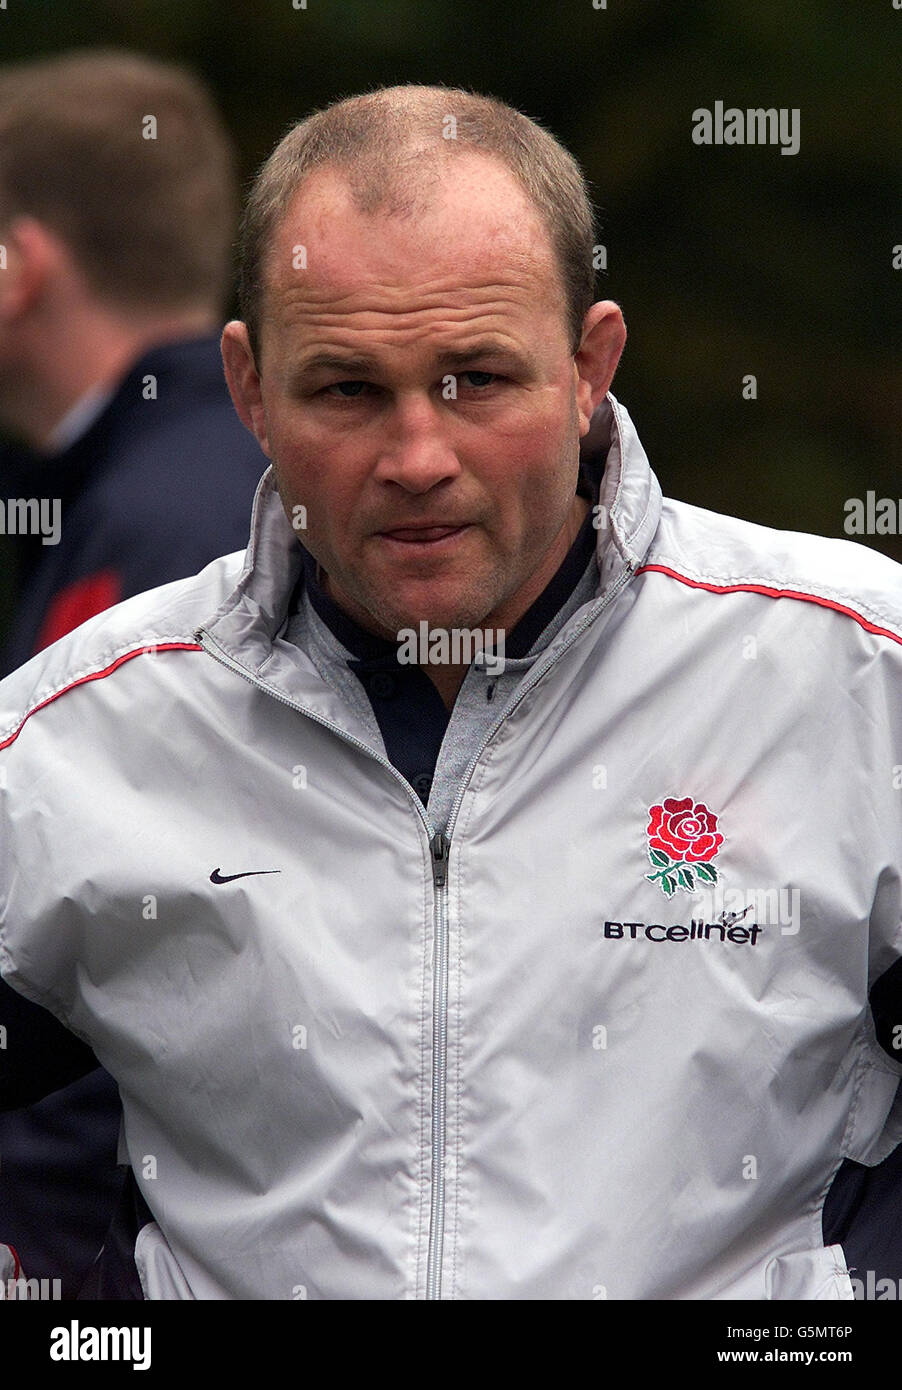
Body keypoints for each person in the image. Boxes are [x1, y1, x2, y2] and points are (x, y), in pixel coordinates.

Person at [1, 82, 900, 1300]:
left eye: (475, 377)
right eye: (347, 390)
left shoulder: (851, 667)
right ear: (249, 387)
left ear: (590, 365)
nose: (418, 457)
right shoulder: (81, 731)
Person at [0, 49, 267, 1297]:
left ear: (24, 267)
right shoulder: (187, 483)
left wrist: (37, 1263)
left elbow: (125, 921)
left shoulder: (154, 531)